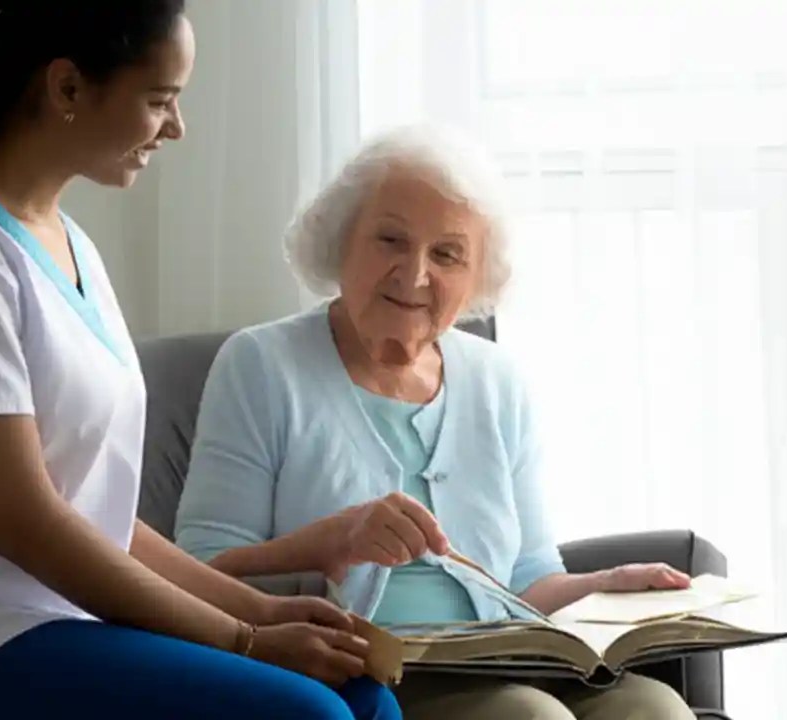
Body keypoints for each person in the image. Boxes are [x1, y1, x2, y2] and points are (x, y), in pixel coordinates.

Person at [0, 2, 400, 719]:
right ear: (66, 88)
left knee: (362, 694)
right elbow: (21, 521)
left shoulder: (70, 245)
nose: (176, 128)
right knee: (310, 713)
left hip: (54, 614)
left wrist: (263, 614)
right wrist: (244, 639)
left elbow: (97, 511)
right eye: (160, 100)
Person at [173, 124, 697, 719]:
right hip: (354, 677)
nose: (415, 274)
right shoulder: (262, 365)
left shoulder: (498, 381)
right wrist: (328, 543)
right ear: (342, 240)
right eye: (391, 240)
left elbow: (528, 582)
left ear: (476, 279)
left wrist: (606, 585)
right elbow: (197, 575)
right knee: (527, 717)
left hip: (504, 663)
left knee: (655, 707)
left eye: (446, 254)